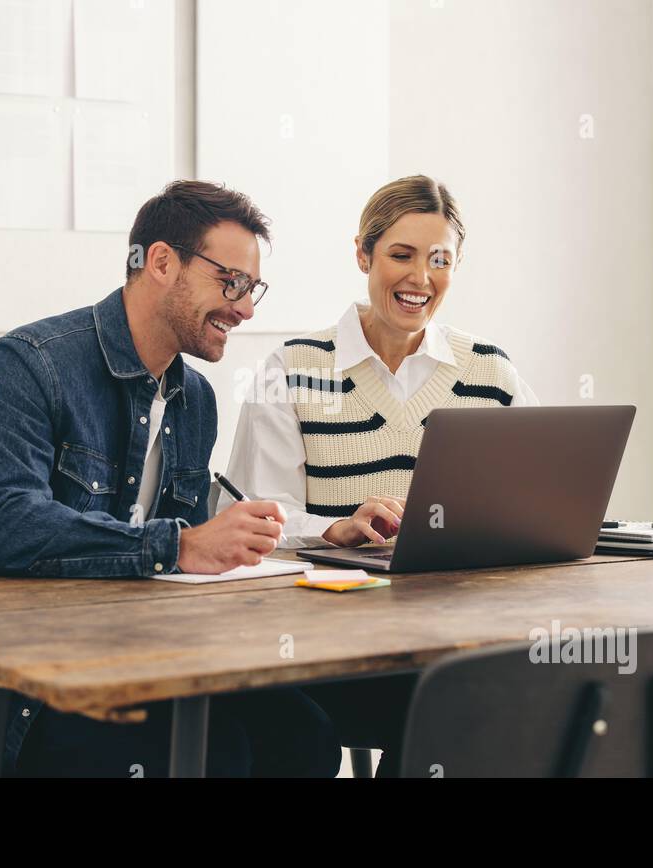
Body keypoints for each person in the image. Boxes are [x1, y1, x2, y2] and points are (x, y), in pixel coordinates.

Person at [0, 181, 340, 778]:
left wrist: (312, 536)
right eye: (230, 282)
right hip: (15, 690)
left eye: (252, 289)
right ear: (160, 261)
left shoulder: (194, 398)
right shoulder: (27, 363)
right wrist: (176, 545)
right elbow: (6, 526)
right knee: (219, 755)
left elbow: (188, 569)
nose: (245, 308)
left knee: (304, 738)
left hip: (137, 662)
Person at [221, 175, 538, 776]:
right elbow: (255, 523)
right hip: (328, 650)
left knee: (526, 701)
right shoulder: (292, 369)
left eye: (440, 260)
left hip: (457, 637)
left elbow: (543, 495)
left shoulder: (490, 373)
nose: (421, 278)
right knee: (457, 712)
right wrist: (334, 527)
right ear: (363, 255)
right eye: (402, 255)